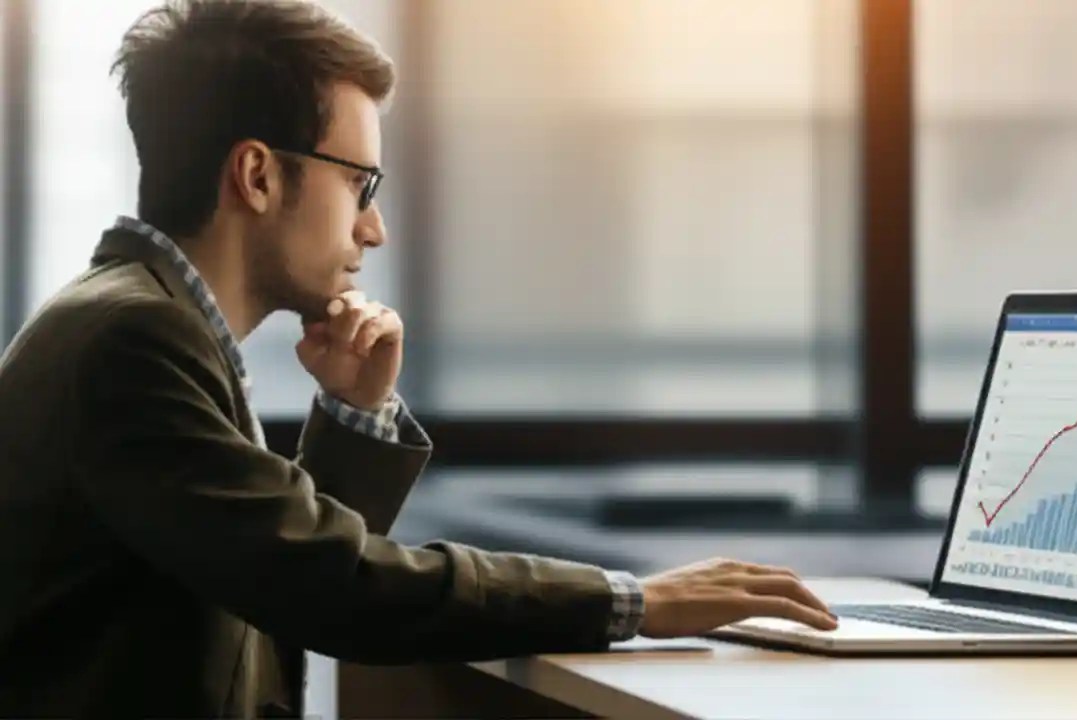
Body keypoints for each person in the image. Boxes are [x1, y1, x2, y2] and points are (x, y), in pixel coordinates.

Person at [0, 1, 837, 717]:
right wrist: (634, 599)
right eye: (359, 184)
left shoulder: (137, 317)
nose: (375, 229)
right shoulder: (135, 340)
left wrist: (353, 414)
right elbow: (327, 585)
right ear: (256, 175)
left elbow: (269, 569)